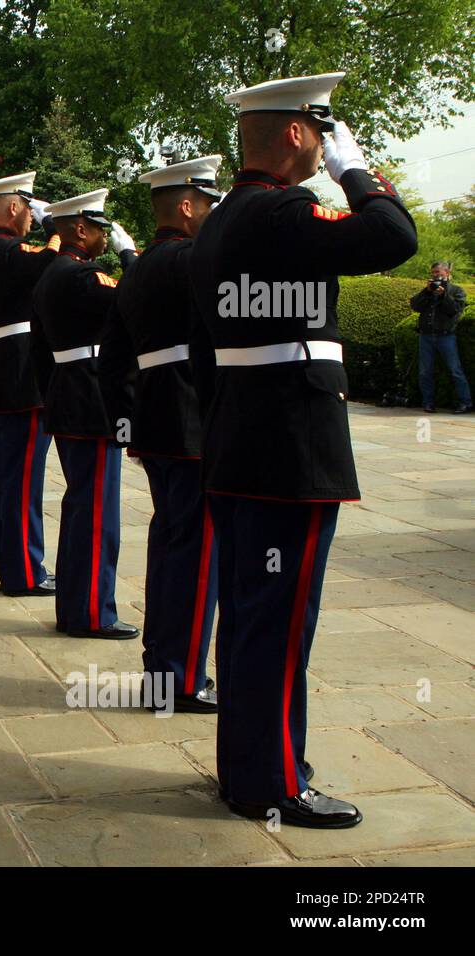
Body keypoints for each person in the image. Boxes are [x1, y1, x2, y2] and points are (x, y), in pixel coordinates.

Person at [188, 72, 417, 828]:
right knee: (279, 624)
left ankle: (252, 764)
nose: (323, 147)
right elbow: (392, 237)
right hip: (286, 451)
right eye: (320, 133)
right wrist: (356, 170)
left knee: (255, 616)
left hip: (242, 444)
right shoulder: (281, 209)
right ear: (297, 133)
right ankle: (270, 784)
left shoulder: (221, 220)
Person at [99, 156, 223, 711]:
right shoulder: (195, 261)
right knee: (196, 554)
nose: (214, 217)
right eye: (210, 205)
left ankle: (162, 669)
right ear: (188, 205)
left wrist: (129, 421)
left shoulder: (138, 268)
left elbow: (113, 362)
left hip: (156, 424)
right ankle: (180, 679)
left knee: (171, 545)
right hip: (194, 422)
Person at [34, 188, 140, 636]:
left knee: (83, 507)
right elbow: (139, 297)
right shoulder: (81, 276)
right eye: (100, 228)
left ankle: (77, 609)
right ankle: (91, 614)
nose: (103, 236)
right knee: (96, 514)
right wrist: (131, 253)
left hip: (70, 393)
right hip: (90, 397)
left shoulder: (53, 272)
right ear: (80, 227)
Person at [0, 171, 61, 598]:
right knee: (23, 479)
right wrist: (58, 228)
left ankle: (25, 566)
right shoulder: (4, 248)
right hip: (19, 374)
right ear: (14, 207)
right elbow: (45, 263)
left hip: (12, 372)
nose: (32, 217)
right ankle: (25, 571)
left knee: (16, 478)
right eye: (30, 209)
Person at [410, 261, 470, 413]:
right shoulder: (428, 291)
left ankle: (465, 402)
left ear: (447, 274)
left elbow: (454, 310)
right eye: (434, 273)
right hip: (426, 337)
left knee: (455, 370)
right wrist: (426, 291)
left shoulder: (456, 291)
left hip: (446, 336)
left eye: (439, 272)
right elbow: (415, 306)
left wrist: (444, 295)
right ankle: (428, 402)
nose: (436, 275)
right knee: (425, 372)